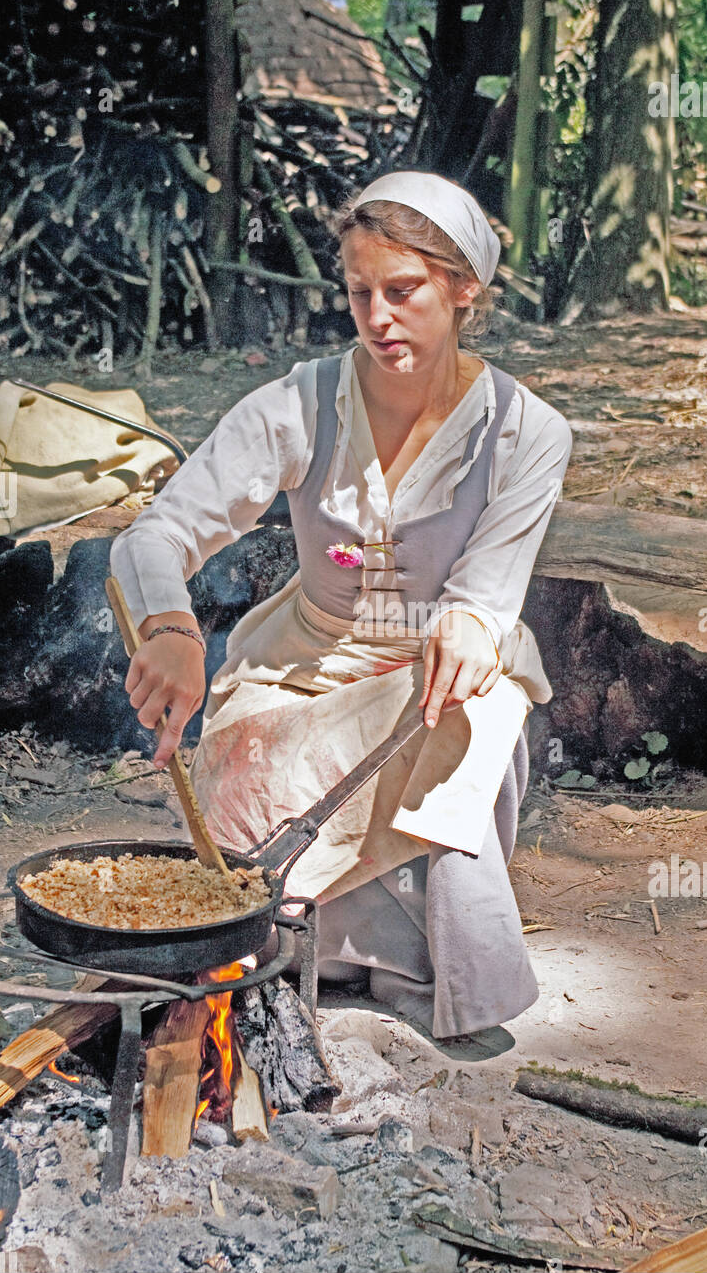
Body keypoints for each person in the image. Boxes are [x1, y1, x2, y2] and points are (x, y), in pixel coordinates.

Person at [109, 171, 572, 1042]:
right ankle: (284, 952)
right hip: (301, 658)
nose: (378, 317)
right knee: (244, 757)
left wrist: (468, 628)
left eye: (403, 292)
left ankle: (430, 976)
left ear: (462, 289)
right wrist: (171, 629)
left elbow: (485, 595)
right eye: (360, 292)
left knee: (467, 714)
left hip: (433, 663)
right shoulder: (300, 404)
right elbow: (154, 535)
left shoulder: (525, 430)